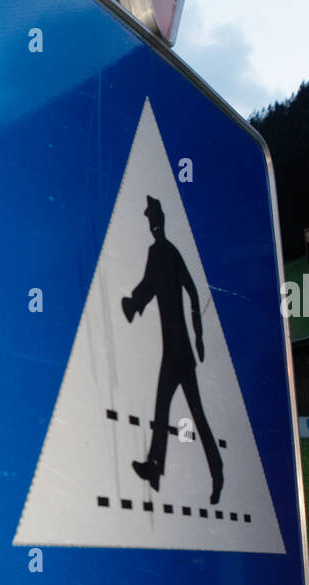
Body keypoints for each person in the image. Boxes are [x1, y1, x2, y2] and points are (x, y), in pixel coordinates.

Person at [120, 196, 223, 505]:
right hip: (177, 351)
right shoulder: (164, 252)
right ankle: (158, 468)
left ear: (160, 220)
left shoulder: (164, 253)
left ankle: (214, 472)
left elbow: (188, 290)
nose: (152, 224)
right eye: (149, 219)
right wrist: (135, 302)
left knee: (193, 414)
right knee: (168, 409)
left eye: (153, 218)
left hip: (178, 352)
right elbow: (154, 286)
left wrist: (201, 335)